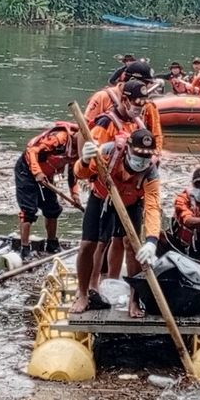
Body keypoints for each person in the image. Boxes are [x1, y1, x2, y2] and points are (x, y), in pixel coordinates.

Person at [71, 128, 161, 317]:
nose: (141, 161)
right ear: (127, 149)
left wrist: (152, 240)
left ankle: (134, 300)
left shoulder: (151, 171)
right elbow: (80, 173)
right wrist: (84, 160)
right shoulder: (107, 152)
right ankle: (83, 294)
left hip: (131, 203)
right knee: (88, 244)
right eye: (138, 155)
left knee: (133, 247)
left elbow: (153, 206)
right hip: (101, 197)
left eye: (146, 157)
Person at [16, 120, 81, 260]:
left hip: (47, 176)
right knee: (29, 210)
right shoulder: (59, 138)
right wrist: (37, 172)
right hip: (27, 171)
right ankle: (24, 248)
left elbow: (73, 174)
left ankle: (51, 243)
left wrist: (75, 195)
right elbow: (32, 151)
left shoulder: (78, 151)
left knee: (52, 209)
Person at [85, 64, 164, 152]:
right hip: (104, 147)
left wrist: (156, 154)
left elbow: (156, 134)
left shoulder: (147, 105)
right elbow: (86, 128)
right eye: (145, 83)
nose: (146, 87)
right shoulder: (102, 97)